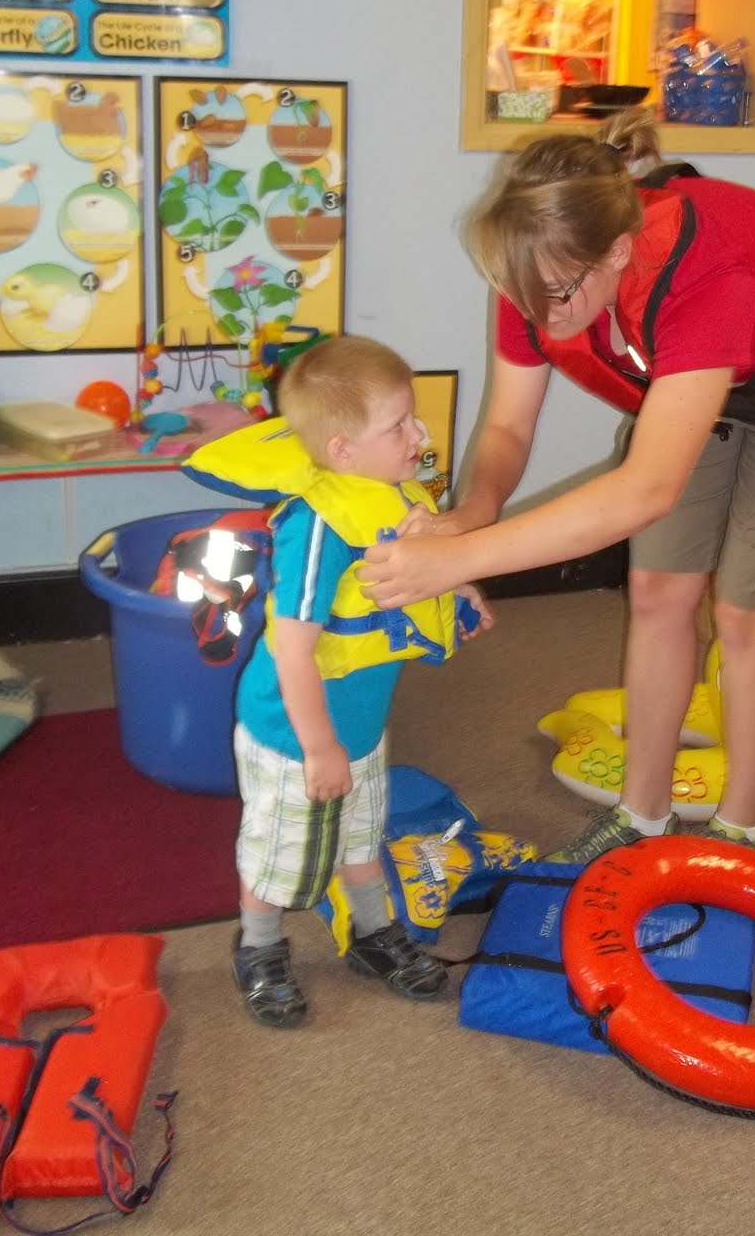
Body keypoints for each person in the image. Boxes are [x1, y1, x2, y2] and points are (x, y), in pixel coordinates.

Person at [359, 107, 755, 865]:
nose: (544, 315)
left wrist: (460, 562)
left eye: (562, 294)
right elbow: (507, 429)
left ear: (620, 253)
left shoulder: (705, 278)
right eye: (527, 293)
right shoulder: (539, 269)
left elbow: (645, 491)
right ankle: (643, 816)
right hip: (698, 371)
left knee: (740, 611)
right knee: (658, 593)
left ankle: (739, 833)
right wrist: (470, 516)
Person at [227, 335, 493, 1027]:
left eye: (415, 418)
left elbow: (421, 561)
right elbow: (292, 651)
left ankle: (373, 935)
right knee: (279, 856)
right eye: (399, 426)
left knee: (359, 839)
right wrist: (318, 748)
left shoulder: (394, 493)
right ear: (342, 450)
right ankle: (258, 946)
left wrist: (461, 589)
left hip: (360, 727)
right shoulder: (317, 529)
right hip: (295, 734)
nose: (421, 435)